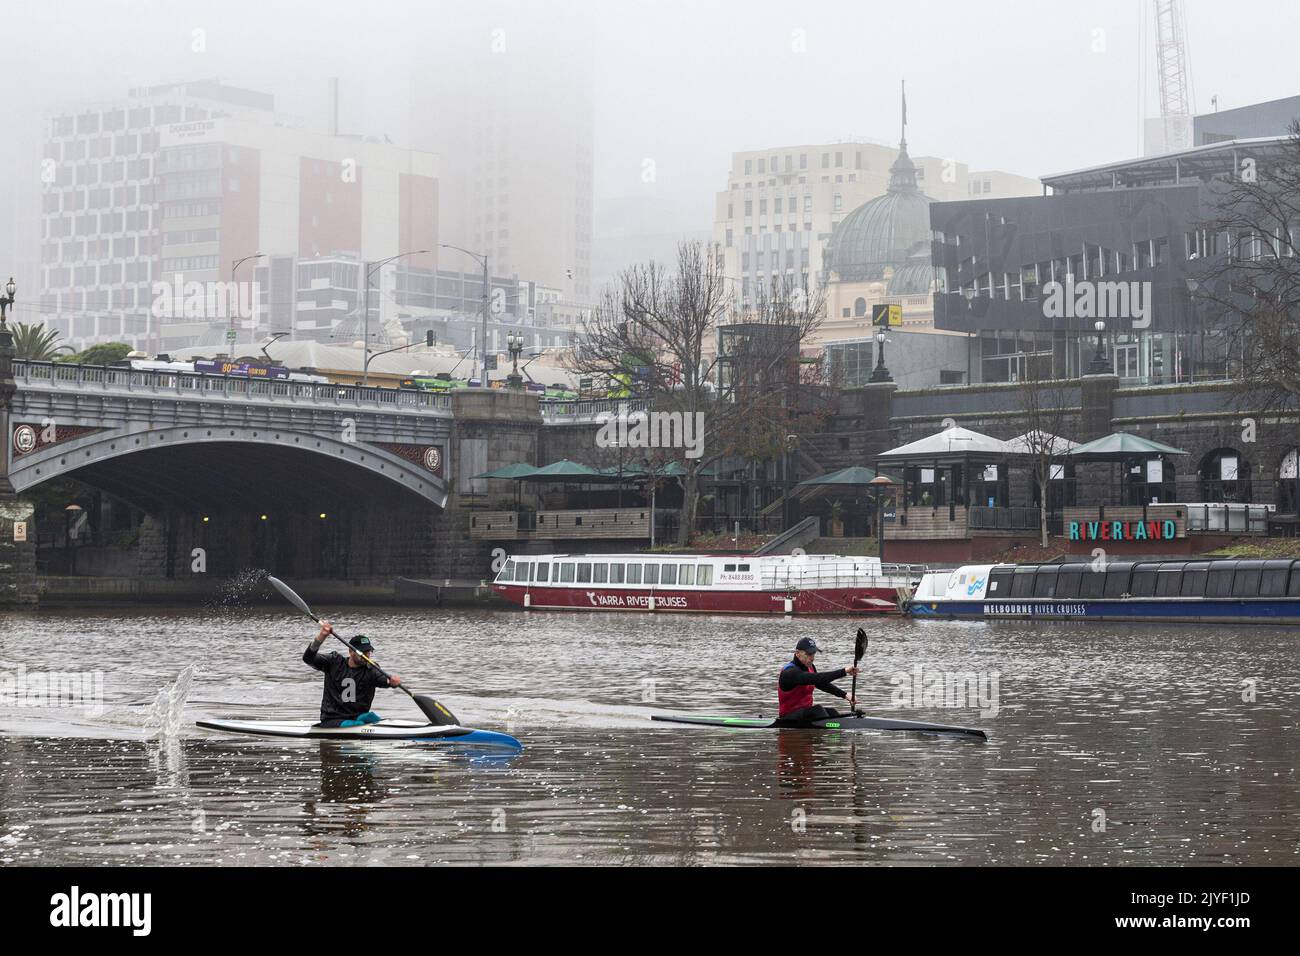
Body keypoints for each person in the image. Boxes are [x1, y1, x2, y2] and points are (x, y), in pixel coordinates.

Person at [303, 620, 402, 727]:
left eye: (368, 651)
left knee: (371, 716)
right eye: (363, 652)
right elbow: (308, 658)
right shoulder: (334, 662)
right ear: (350, 651)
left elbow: (382, 680)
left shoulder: (371, 667)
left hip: (358, 716)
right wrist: (321, 637)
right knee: (357, 724)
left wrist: (391, 681)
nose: (366, 655)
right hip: (333, 718)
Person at [777, 637, 858, 722]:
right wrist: (844, 671)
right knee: (818, 710)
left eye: (813, 654)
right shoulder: (789, 673)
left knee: (832, 712)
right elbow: (818, 678)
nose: (812, 658)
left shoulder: (810, 667)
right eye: (809, 654)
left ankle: (839, 733)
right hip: (788, 717)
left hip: (805, 714)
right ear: (797, 653)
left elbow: (821, 683)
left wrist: (845, 695)